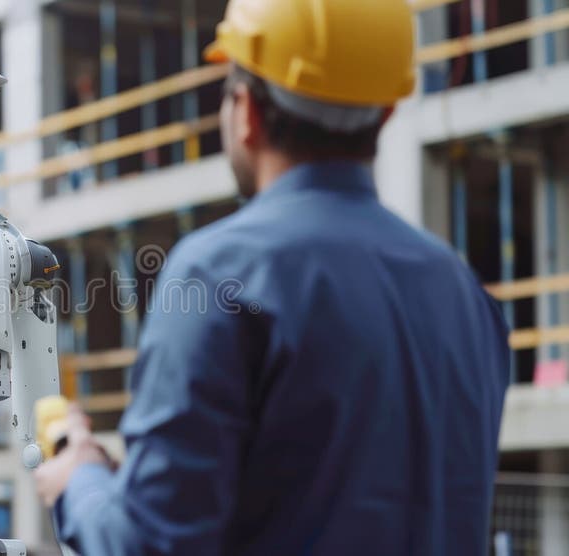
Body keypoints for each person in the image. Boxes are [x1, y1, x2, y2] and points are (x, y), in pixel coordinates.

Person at [32, 1, 511, 554]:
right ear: (383, 113)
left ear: (246, 111)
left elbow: (146, 544)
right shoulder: (467, 295)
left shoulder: (219, 275)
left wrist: (80, 481)